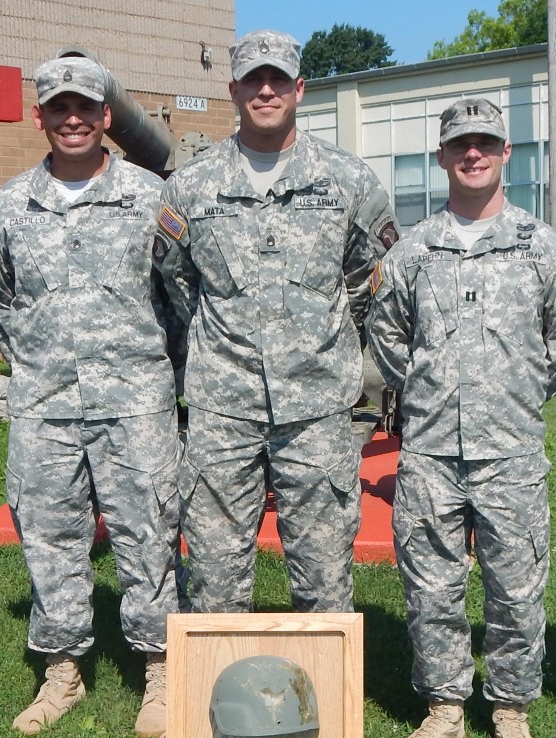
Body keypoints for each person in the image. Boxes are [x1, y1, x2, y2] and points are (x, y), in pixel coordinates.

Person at [368, 97, 556, 738]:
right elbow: (387, 337)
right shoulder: (412, 252)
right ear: (441, 156)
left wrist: (519, 392)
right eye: (460, 144)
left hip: (511, 453)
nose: (473, 153)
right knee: (430, 585)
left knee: (516, 587)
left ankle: (511, 711)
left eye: (486, 143)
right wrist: (434, 391)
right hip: (431, 452)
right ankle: (444, 710)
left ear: (505, 155)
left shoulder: (545, 249)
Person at [0, 56, 179, 738]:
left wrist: (153, 367)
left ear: (106, 116)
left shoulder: (150, 197)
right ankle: (62, 671)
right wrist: (34, 358)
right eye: (58, 107)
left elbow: (181, 295)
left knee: (147, 533)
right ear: (40, 117)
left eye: (85, 106)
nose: (72, 118)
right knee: (51, 535)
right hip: (46, 404)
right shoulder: (8, 207)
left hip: (135, 400)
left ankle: (160, 670)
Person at [152, 29, 398, 614]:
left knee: (322, 574)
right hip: (221, 409)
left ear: (299, 88)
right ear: (233, 89)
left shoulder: (349, 182)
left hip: (317, 408)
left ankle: (320, 701)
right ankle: (220, 700)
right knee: (214, 570)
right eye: (253, 80)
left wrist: (327, 342)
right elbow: (178, 284)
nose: (266, 90)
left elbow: (372, 279)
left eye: (278, 79)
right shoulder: (190, 187)